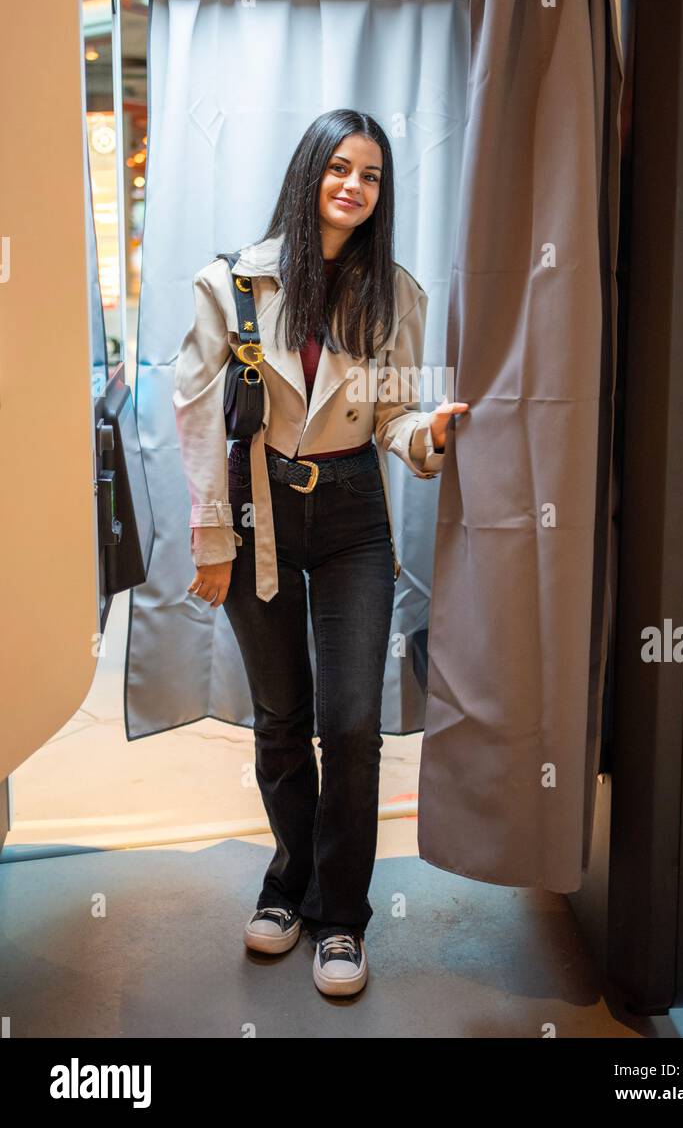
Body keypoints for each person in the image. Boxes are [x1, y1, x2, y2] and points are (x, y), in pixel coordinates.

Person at [172, 108, 468, 997]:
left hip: (350, 521)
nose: (354, 186)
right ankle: (287, 886)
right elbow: (194, 417)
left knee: (348, 723)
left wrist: (434, 436)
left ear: (382, 195)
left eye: (371, 175)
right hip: (257, 511)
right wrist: (214, 537)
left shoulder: (395, 295)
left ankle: (343, 920)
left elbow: (393, 420)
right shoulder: (234, 285)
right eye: (340, 167)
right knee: (279, 718)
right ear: (310, 175)